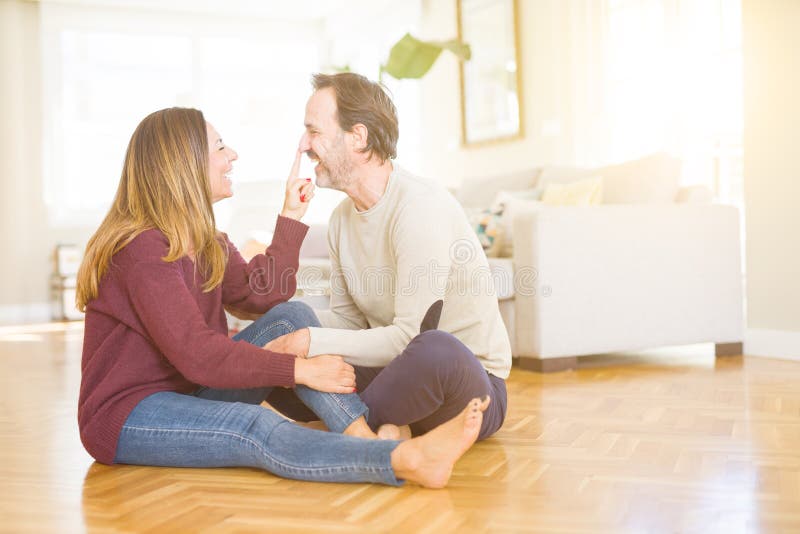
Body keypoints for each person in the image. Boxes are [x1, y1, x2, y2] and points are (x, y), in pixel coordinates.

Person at [75, 106, 489, 488]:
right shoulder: (143, 249)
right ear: (183, 163)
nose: (232, 155)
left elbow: (266, 295)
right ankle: (401, 459)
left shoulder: (207, 242)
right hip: (130, 413)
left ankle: (361, 436)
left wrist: (290, 216)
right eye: (220, 147)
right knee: (254, 426)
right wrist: (298, 370)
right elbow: (198, 354)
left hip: (192, 390)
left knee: (292, 315)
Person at [264, 73, 511, 441]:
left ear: (358, 137)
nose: (304, 144)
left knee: (434, 348)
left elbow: (408, 338)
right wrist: (289, 332)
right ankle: (379, 425)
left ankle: (353, 422)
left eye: (313, 131)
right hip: (390, 374)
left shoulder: (419, 206)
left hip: (465, 384)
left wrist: (308, 342)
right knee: (283, 329)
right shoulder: (340, 221)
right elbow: (348, 322)